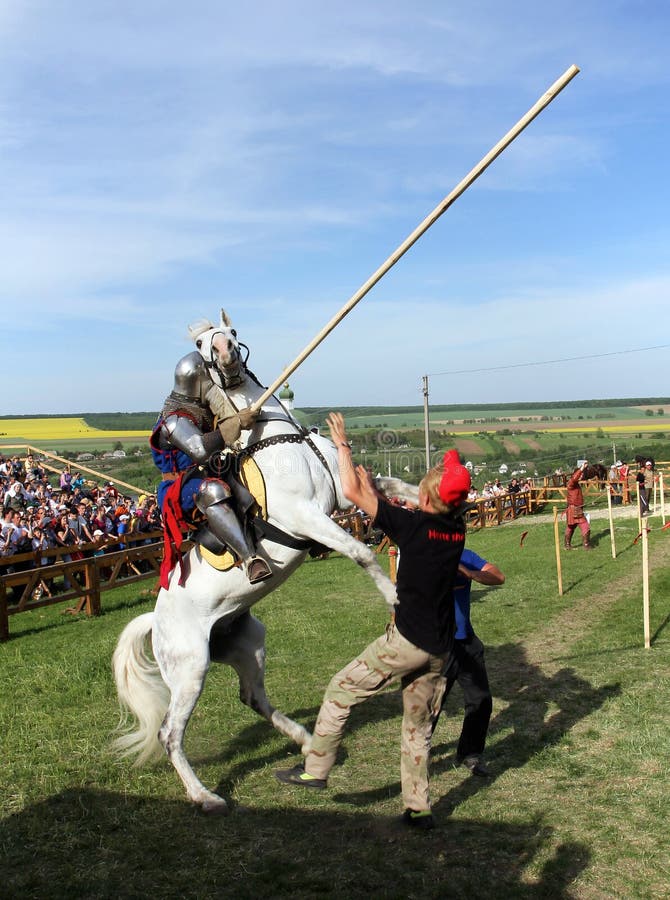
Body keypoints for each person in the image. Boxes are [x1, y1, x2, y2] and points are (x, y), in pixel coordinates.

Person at [274, 412, 470, 831]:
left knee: (340, 690)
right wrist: (371, 490)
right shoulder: (455, 528)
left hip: (405, 643)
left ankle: (315, 770)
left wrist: (341, 445)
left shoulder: (413, 527)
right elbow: (388, 498)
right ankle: (419, 808)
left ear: (430, 499)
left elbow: (347, 490)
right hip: (441, 648)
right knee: (418, 728)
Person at [150, 323, 271, 586]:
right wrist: (237, 422)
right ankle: (251, 558)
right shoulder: (173, 421)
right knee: (212, 491)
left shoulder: (197, 415)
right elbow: (199, 448)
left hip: (201, 473)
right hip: (179, 489)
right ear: (197, 384)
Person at [433, 548, 505, 777]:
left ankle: (470, 753)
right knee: (429, 707)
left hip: (466, 641)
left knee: (480, 699)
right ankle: (415, 756)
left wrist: (471, 574)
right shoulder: (423, 554)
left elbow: (498, 576)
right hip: (438, 646)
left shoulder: (464, 555)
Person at [564, 462, 591, 550]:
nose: (581, 476)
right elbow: (575, 478)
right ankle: (586, 546)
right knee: (585, 526)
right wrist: (581, 468)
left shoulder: (576, 484)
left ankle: (567, 545)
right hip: (574, 509)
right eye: (580, 474)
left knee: (571, 527)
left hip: (575, 509)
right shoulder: (571, 483)